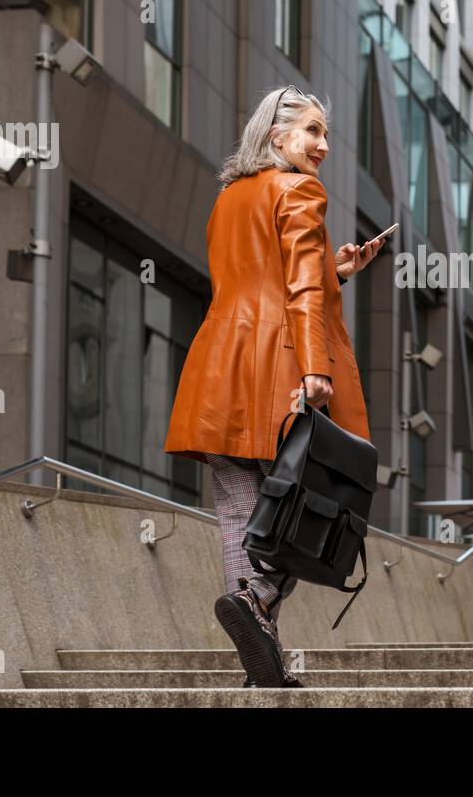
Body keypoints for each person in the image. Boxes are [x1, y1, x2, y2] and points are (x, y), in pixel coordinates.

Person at [164, 84, 383, 688]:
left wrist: (337, 268)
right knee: (313, 503)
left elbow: (265, 275)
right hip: (280, 368)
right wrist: (317, 370)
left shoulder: (229, 199)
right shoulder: (299, 189)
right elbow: (300, 292)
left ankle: (262, 661)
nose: (323, 146)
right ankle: (257, 600)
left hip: (219, 369)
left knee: (241, 512)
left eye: (325, 134)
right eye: (312, 131)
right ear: (275, 135)